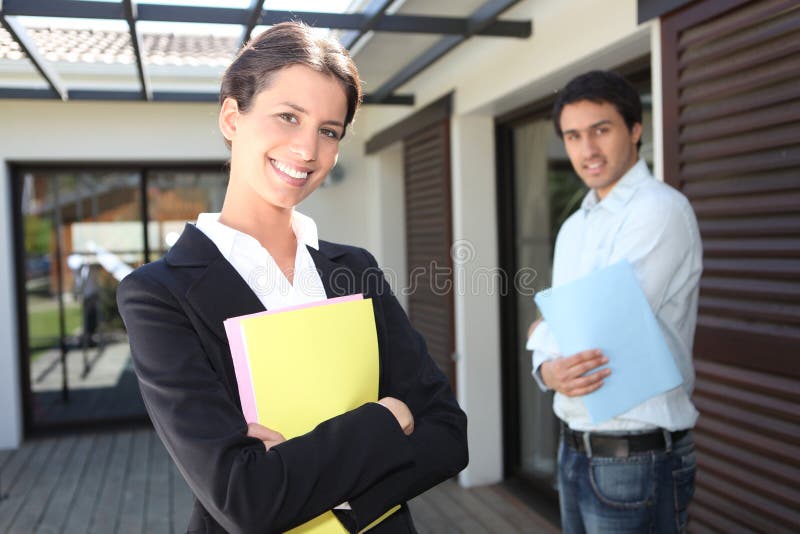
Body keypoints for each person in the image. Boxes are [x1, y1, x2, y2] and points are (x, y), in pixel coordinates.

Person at [117, 23, 468, 534]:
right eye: (288, 117)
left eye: (329, 131)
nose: (307, 150)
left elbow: (448, 433)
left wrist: (310, 484)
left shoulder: (355, 271)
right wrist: (387, 419)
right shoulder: (158, 295)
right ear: (232, 117)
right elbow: (246, 498)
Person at [526, 70, 702, 533]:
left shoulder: (659, 209)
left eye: (601, 130)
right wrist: (546, 369)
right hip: (573, 448)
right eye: (573, 136)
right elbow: (560, 316)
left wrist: (538, 334)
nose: (587, 149)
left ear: (635, 129)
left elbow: (600, 326)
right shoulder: (574, 227)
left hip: (636, 457)